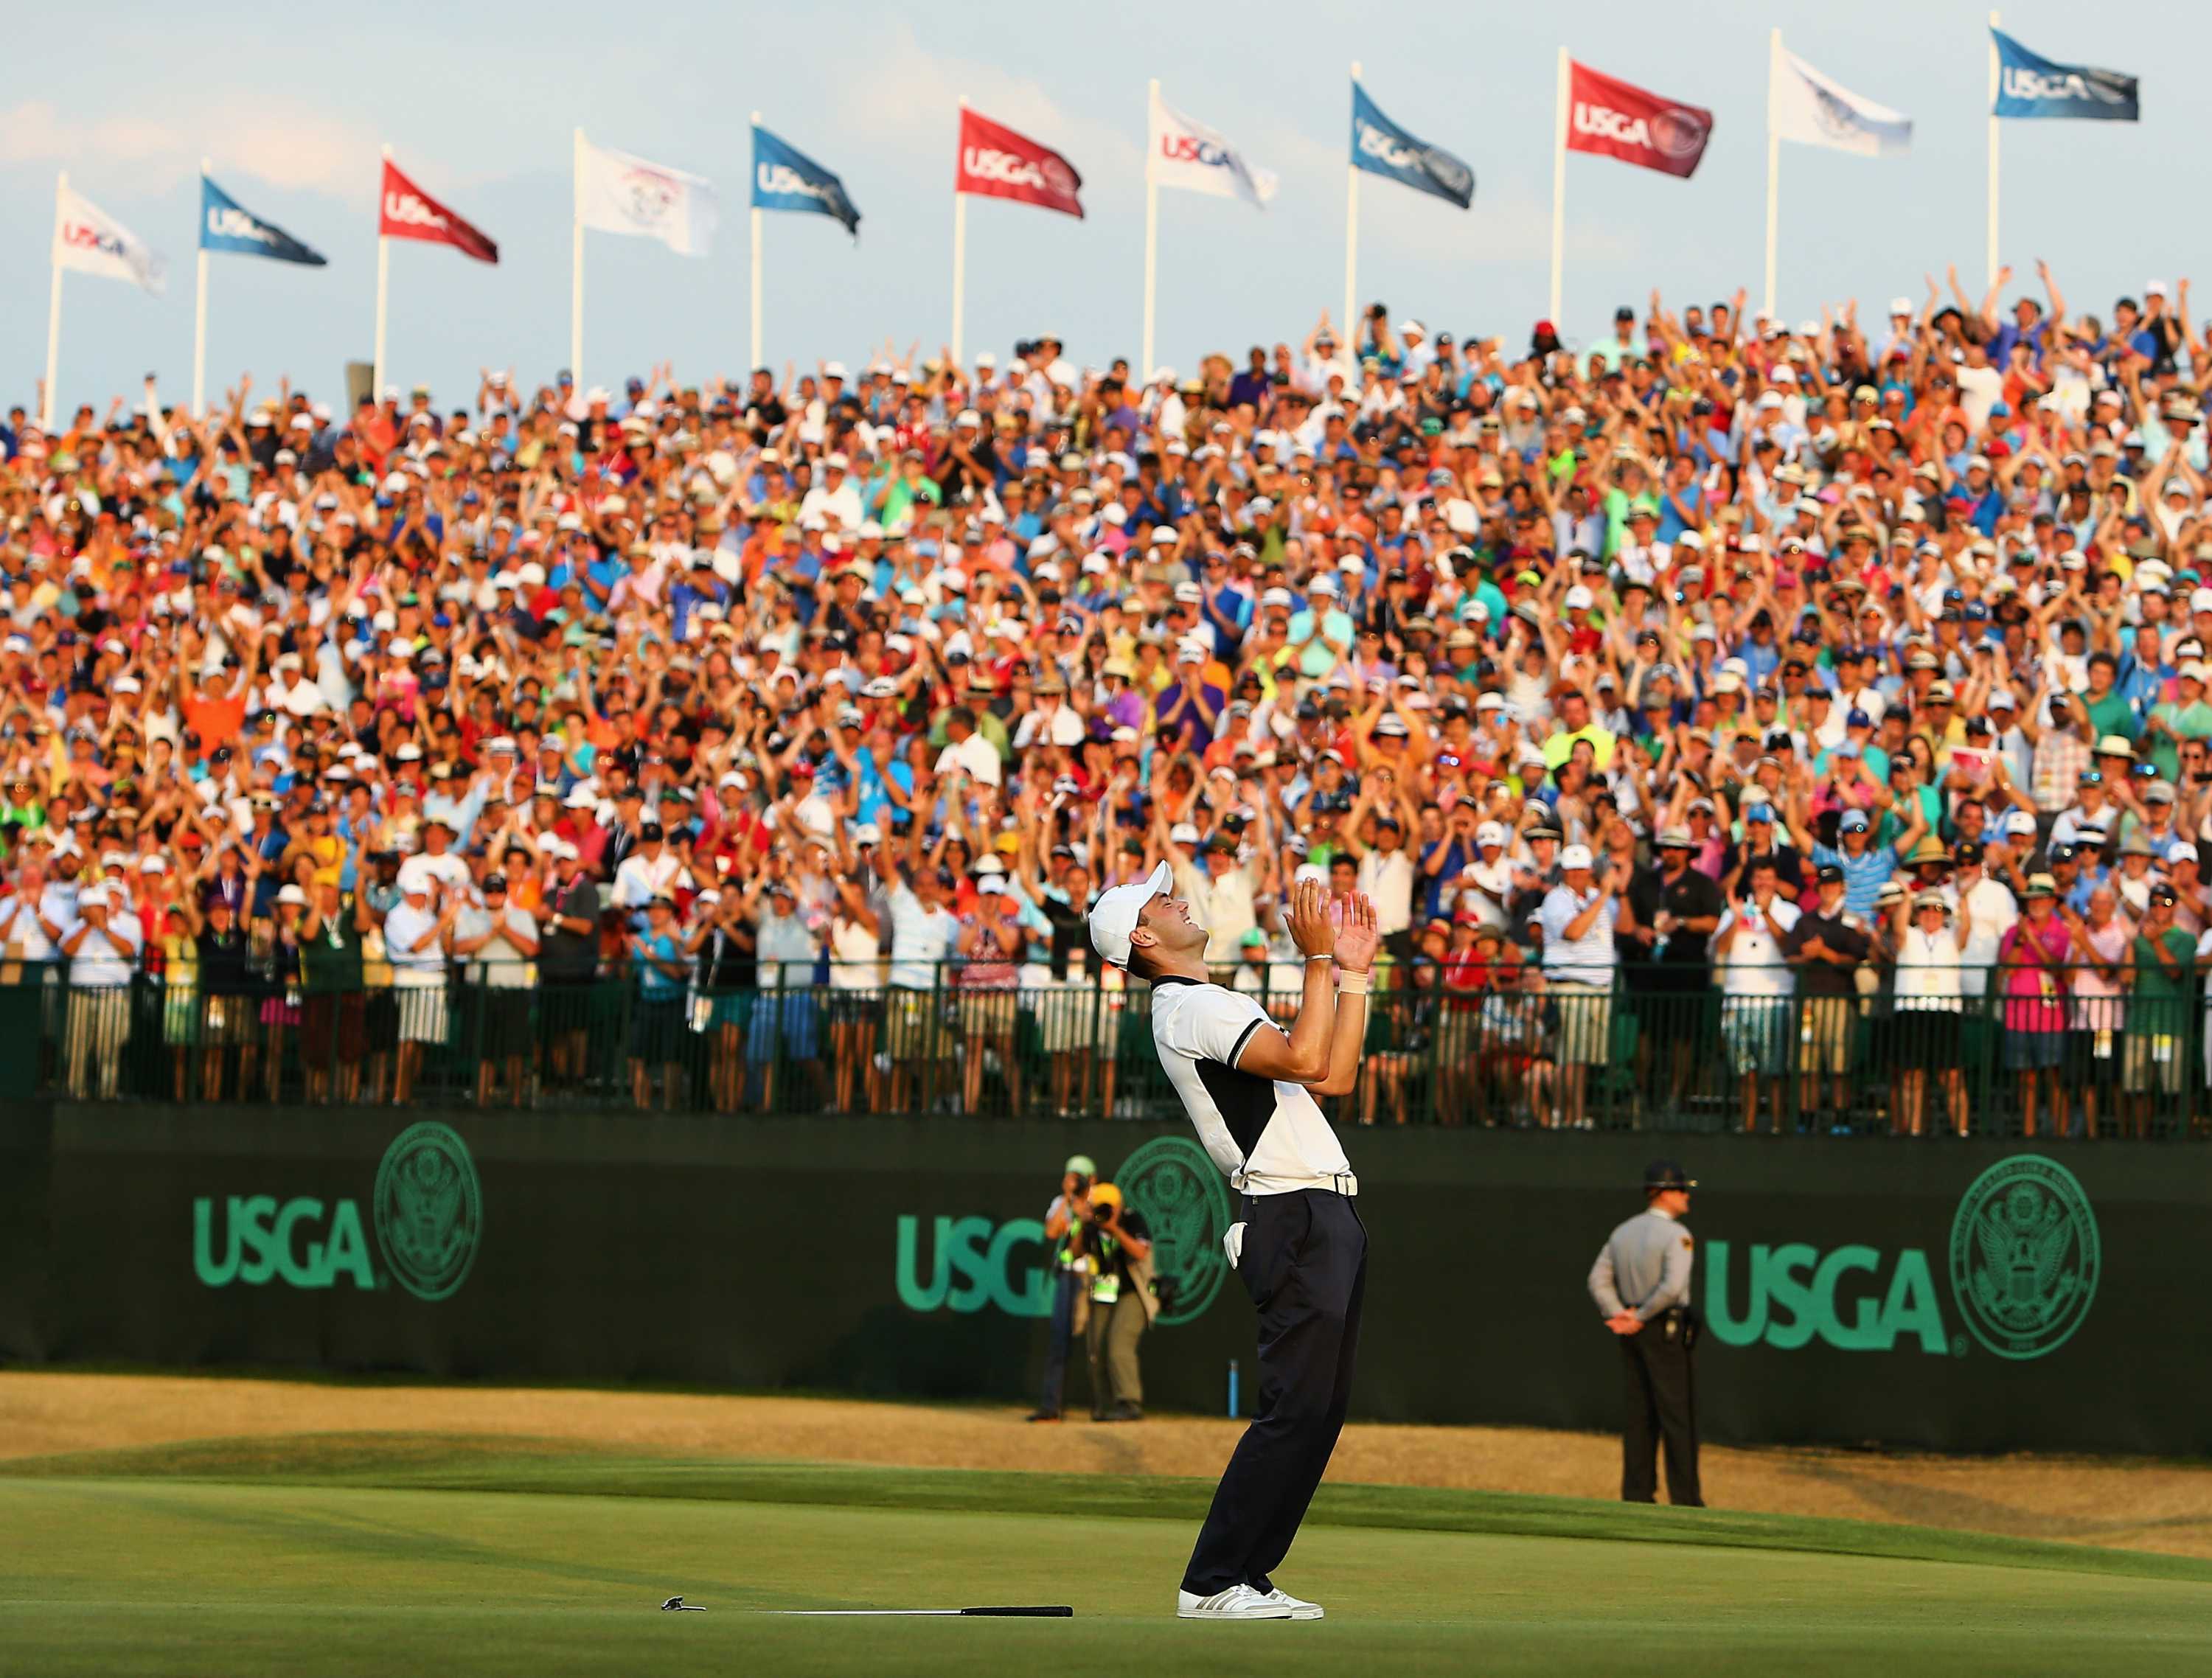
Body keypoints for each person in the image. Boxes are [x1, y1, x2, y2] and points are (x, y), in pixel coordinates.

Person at [1089, 866, 1377, 1623]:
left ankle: (1247, 1571)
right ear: (1143, 936)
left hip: (1321, 1209)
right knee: (1295, 1408)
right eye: (1162, 901)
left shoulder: (1205, 1002)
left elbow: (1335, 1072)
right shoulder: (1188, 1005)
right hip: (1291, 1214)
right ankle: (1212, 1578)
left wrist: (1352, 975)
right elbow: (1309, 1058)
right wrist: (1317, 959)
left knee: (1319, 1410)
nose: (1180, 899)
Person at [1587, 1160, 1703, 1508]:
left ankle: (1637, 1494)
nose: (1687, 1197)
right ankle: (1685, 1499)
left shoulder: (1622, 1232)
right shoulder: (1677, 1235)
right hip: (1663, 1329)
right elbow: (1671, 1288)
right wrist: (1641, 1314)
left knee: (1639, 1416)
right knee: (1677, 1417)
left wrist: (1619, 1313)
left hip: (1632, 1331)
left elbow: (1597, 1280)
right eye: (1682, 1190)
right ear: (1664, 1193)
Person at [1537, 843, 1619, 1129]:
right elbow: (1573, 932)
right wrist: (1606, 894)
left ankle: (1574, 1113)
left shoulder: (1598, 897)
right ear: (1563, 872)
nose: (1576, 875)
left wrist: (1615, 889)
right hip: (1570, 986)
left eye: (1581, 870)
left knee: (1582, 1059)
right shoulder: (1557, 899)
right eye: (1571, 871)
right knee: (1571, 1056)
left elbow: (1626, 925)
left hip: (1598, 987)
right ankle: (1570, 1115)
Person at [450, 873, 539, 1107]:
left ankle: (517, 1100)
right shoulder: (471, 917)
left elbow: (531, 949)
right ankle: (482, 1100)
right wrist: (491, 933)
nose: (494, 896)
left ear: (505, 893)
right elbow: (460, 947)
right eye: (490, 891)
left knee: (515, 1050)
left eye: (498, 891)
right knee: (483, 1050)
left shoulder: (521, 917)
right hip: (481, 992)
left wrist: (505, 930)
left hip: (512, 992)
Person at [1079, 1180, 1155, 1421]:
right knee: (1095, 1349)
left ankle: (1129, 1403)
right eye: (1100, 1208)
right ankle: (1102, 1405)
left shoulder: (1131, 1220)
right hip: (1101, 1292)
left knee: (1119, 1344)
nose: (1105, 1213)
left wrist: (1115, 1230)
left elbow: (1141, 1253)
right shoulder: (1090, 1226)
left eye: (1109, 1208)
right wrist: (1082, 1223)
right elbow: (1074, 1252)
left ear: (1119, 1206)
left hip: (1132, 1292)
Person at [1029, 1152, 1096, 1424]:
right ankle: (1051, 1407)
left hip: (1092, 1280)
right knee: (1059, 1342)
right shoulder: (1061, 1203)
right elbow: (1051, 1232)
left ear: (1091, 1179)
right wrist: (1068, 1202)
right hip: (1067, 1278)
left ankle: (1104, 1408)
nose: (1074, 1182)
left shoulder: (1100, 1200)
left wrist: (1085, 1210)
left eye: (1079, 1177)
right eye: (1071, 1177)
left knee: (1098, 1344)